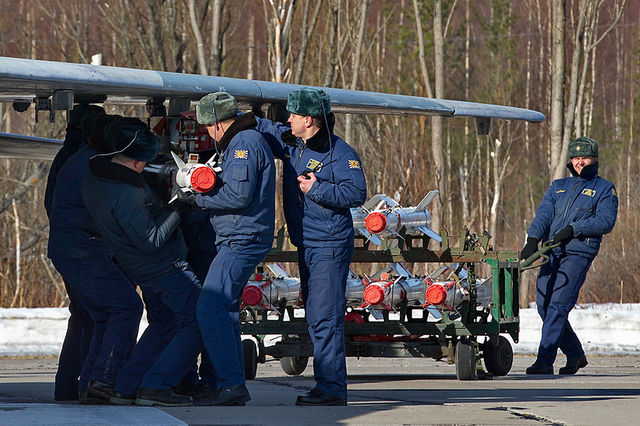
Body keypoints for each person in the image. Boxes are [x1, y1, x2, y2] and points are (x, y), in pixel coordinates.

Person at [255, 87, 367, 405]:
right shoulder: (296, 144)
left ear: (309, 119)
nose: (287, 119)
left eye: (292, 115)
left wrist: (317, 189)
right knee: (316, 314)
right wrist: (235, 117)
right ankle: (327, 384)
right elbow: (270, 129)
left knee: (325, 316)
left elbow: (356, 193)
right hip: (308, 244)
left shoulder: (339, 153)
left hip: (329, 245)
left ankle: (331, 388)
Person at [82, 125, 203, 407]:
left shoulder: (95, 179)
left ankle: (125, 388)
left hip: (141, 270)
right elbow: (151, 240)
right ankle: (156, 386)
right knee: (201, 320)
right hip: (164, 269)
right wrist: (178, 208)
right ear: (138, 162)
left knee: (163, 324)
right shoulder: (125, 194)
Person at [177, 92, 275, 406]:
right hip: (237, 237)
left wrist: (198, 198)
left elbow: (238, 197)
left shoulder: (244, 143)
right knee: (226, 311)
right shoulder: (242, 141)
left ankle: (231, 385)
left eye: (207, 127)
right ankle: (224, 382)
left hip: (242, 240)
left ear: (218, 123)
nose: (207, 132)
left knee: (210, 307)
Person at [48, 114, 144, 404]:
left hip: (74, 249)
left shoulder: (83, 159)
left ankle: (85, 386)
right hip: (83, 251)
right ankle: (103, 380)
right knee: (127, 307)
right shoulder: (95, 165)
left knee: (98, 316)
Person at [520, 136, 618, 375]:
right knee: (544, 306)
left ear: (594, 159)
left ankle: (544, 361)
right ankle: (575, 354)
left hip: (578, 252)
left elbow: (606, 221)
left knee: (558, 306)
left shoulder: (604, 188)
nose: (579, 162)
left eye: (584, 158)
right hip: (551, 251)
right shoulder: (557, 186)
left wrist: (573, 229)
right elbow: (543, 214)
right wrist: (533, 239)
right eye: (575, 158)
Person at [44, 103, 104, 402]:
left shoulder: (67, 156)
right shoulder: (81, 160)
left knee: (82, 316)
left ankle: (68, 385)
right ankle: (84, 383)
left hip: (67, 247)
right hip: (79, 248)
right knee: (92, 316)